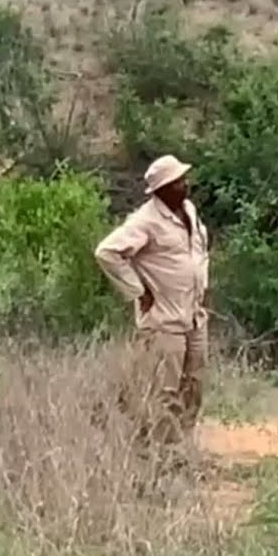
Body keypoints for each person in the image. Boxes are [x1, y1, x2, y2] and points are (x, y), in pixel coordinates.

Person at [94, 154, 210, 447]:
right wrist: (138, 290)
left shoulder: (189, 211)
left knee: (194, 384)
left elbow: (199, 249)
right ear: (162, 189)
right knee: (165, 390)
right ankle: (162, 451)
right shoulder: (145, 221)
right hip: (164, 320)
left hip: (194, 315)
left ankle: (183, 443)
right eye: (178, 182)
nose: (185, 185)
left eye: (183, 179)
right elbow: (107, 252)